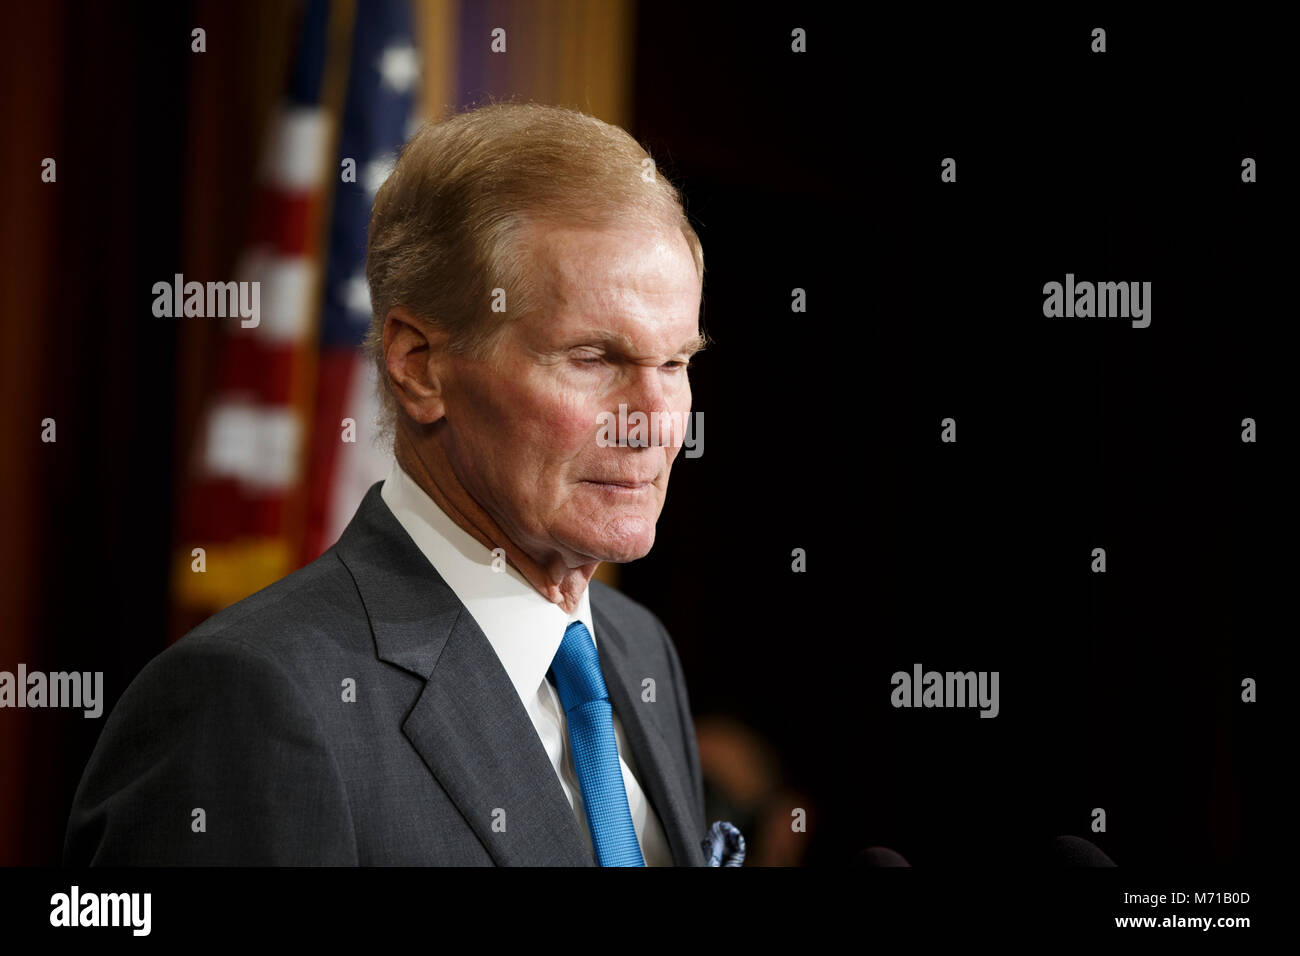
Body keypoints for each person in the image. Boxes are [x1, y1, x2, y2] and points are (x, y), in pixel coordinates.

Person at [65, 102, 709, 866]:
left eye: (675, 364)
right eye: (594, 360)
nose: (653, 423)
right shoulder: (251, 702)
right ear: (419, 365)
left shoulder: (639, 651)